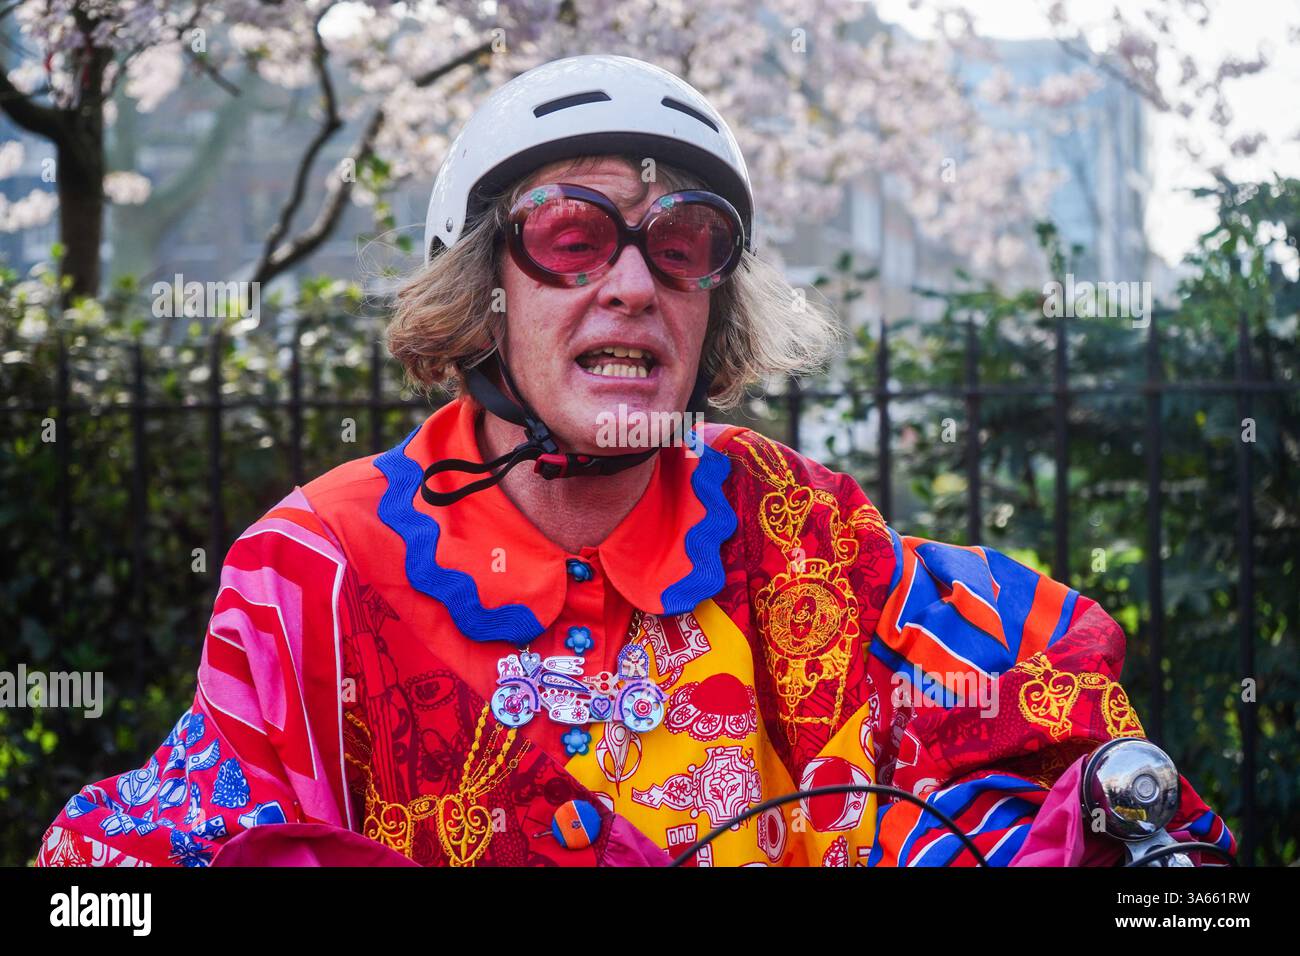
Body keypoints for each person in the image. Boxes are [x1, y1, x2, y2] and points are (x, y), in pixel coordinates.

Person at [37, 54, 1233, 868]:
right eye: (568, 234)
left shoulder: (797, 524)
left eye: (681, 242)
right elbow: (165, 842)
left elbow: (984, 738)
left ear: (716, 303)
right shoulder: (319, 562)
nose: (628, 280)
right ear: (485, 292)